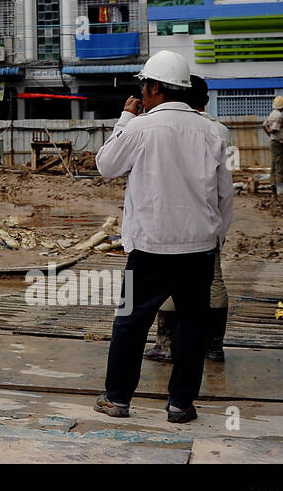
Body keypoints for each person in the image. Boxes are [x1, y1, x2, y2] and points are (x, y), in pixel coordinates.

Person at [94, 50, 233, 424]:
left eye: (144, 85)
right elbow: (224, 196)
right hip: (199, 249)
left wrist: (125, 117)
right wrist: (214, 238)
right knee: (192, 326)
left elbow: (106, 165)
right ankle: (180, 405)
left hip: (151, 247)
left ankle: (117, 398)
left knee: (130, 322)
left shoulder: (140, 128)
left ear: (153, 87)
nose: (142, 91)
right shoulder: (210, 132)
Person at [142, 76, 231, 363]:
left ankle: (166, 344)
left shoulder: (156, 127)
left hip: (163, 228)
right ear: (205, 101)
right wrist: (220, 230)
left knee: (166, 285)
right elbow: (224, 190)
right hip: (204, 228)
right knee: (212, 285)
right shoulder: (218, 131)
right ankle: (213, 345)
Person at [262, 96, 283, 196]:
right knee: (280, 168)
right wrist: (272, 133)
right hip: (279, 143)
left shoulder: (272, 114)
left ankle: (273, 187)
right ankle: (280, 191)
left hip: (274, 142)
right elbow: (275, 129)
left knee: (274, 166)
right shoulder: (279, 116)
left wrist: (270, 135)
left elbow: (264, 125)